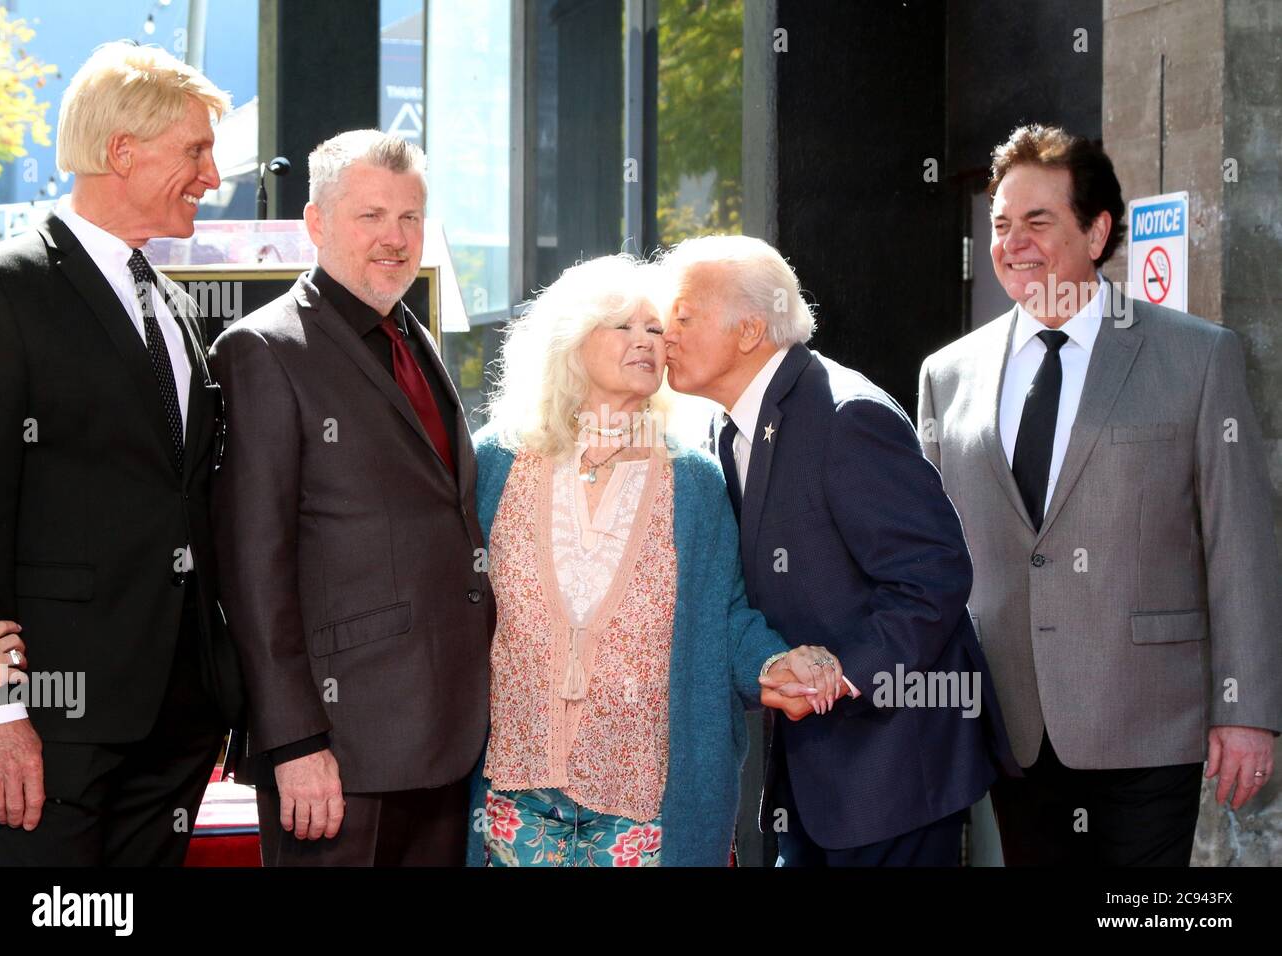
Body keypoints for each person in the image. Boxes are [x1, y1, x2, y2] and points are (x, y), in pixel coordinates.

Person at [918, 124, 1282, 866]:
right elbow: (932, 553)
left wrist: (1247, 712)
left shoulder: (1196, 356)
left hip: (1150, 717)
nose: (1013, 242)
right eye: (1000, 224)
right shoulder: (947, 375)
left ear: (1097, 230)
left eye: (1038, 221)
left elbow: (1240, 544)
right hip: (1012, 723)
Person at [467, 253, 844, 867]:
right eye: (624, 327)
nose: (647, 341)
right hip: (515, 789)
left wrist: (774, 661)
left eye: (655, 329)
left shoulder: (692, 479)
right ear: (570, 341)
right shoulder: (496, 462)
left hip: (646, 800)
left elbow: (723, 614)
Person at [660, 234, 1017, 867]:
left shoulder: (846, 416)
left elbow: (933, 577)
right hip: (814, 775)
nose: (665, 334)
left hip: (894, 771)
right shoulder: (725, 426)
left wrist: (839, 679)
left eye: (683, 316)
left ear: (748, 331)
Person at [0, 41, 243, 865]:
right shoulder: (3, 289)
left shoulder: (170, 300)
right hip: (53, 726)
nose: (211, 176)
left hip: (175, 718)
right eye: (195, 151)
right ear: (121, 152)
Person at [210, 130, 494, 866]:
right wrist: (296, 741)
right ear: (315, 223)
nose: (395, 239)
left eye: (409, 218)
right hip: (339, 750)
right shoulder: (264, 350)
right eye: (371, 216)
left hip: (441, 740)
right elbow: (252, 569)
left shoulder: (415, 339)